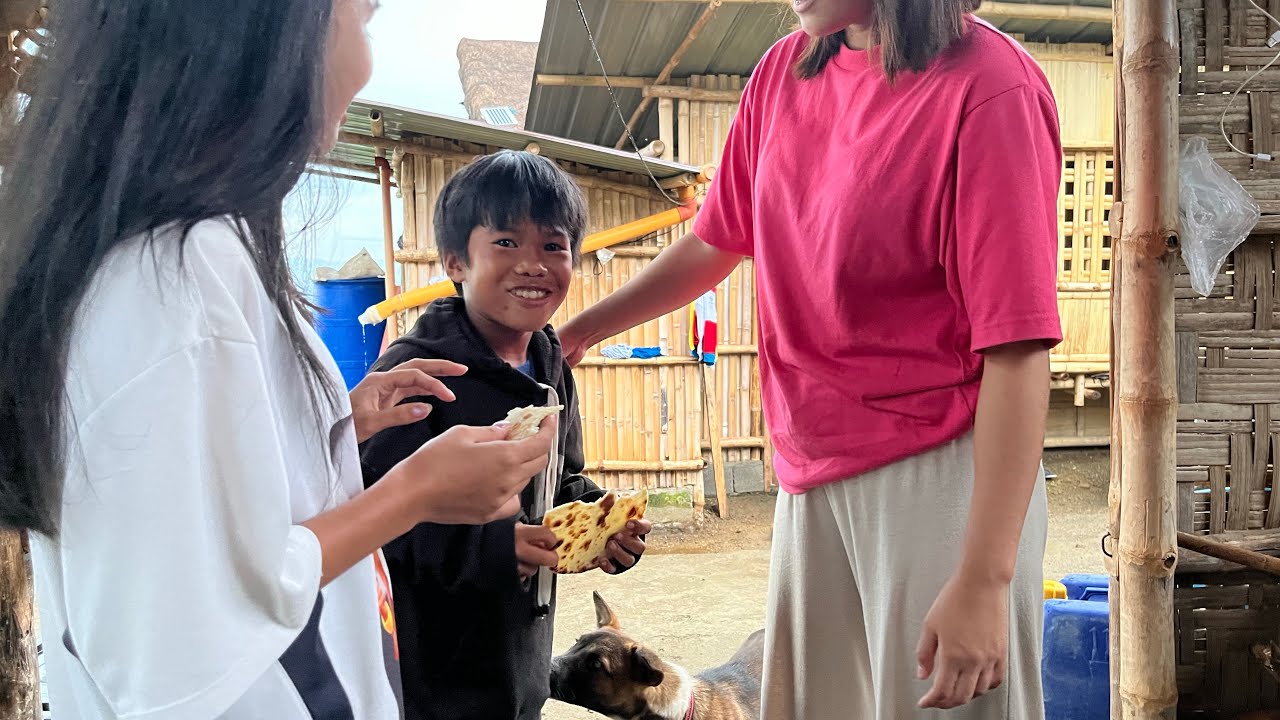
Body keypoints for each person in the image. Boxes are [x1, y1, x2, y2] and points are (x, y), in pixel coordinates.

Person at [0, 1, 555, 718]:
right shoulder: (171, 279)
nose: (366, 63)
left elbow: (202, 494)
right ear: (272, 30)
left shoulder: (184, 253)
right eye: (363, 18)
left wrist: (333, 426)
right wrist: (412, 493)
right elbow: (180, 633)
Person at [557, 0, 1062, 718]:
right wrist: (581, 330)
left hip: (940, 473)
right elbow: (715, 241)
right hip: (809, 471)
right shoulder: (783, 72)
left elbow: (1017, 347)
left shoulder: (989, 88)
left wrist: (984, 576)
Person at [359, 150, 652, 720]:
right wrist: (496, 550)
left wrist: (599, 520)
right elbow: (373, 526)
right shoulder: (418, 375)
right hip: (432, 682)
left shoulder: (550, 364)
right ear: (455, 261)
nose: (534, 264)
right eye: (506, 243)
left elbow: (559, 481)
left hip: (518, 667)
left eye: (553, 245)